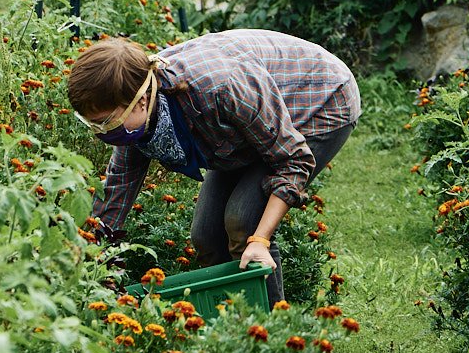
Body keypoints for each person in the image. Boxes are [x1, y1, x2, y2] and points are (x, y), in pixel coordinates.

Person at [70, 30, 358, 301]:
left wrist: (260, 239)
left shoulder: (217, 90)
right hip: (252, 125)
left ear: (142, 100)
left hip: (318, 101)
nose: (100, 132)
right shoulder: (140, 116)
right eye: (92, 123)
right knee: (206, 235)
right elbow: (117, 189)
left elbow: (292, 159)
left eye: (106, 121)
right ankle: (225, 330)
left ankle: (270, 337)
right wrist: (91, 256)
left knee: (243, 222)